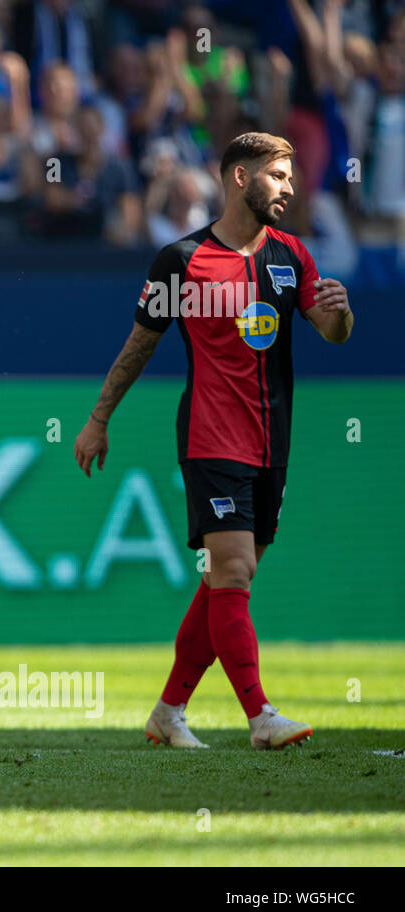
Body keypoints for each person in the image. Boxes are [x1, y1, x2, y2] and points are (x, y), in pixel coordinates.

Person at [74, 132, 354, 751]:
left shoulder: (292, 255)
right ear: (239, 178)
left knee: (223, 583)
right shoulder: (181, 261)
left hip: (271, 444)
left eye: (291, 177)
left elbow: (332, 330)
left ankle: (168, 711)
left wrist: (340, 312)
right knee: (232, 570)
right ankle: (261, 717)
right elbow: (140, 343)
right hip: (210, 437)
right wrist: (99, 417)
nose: (289, 188)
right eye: (277, 175)